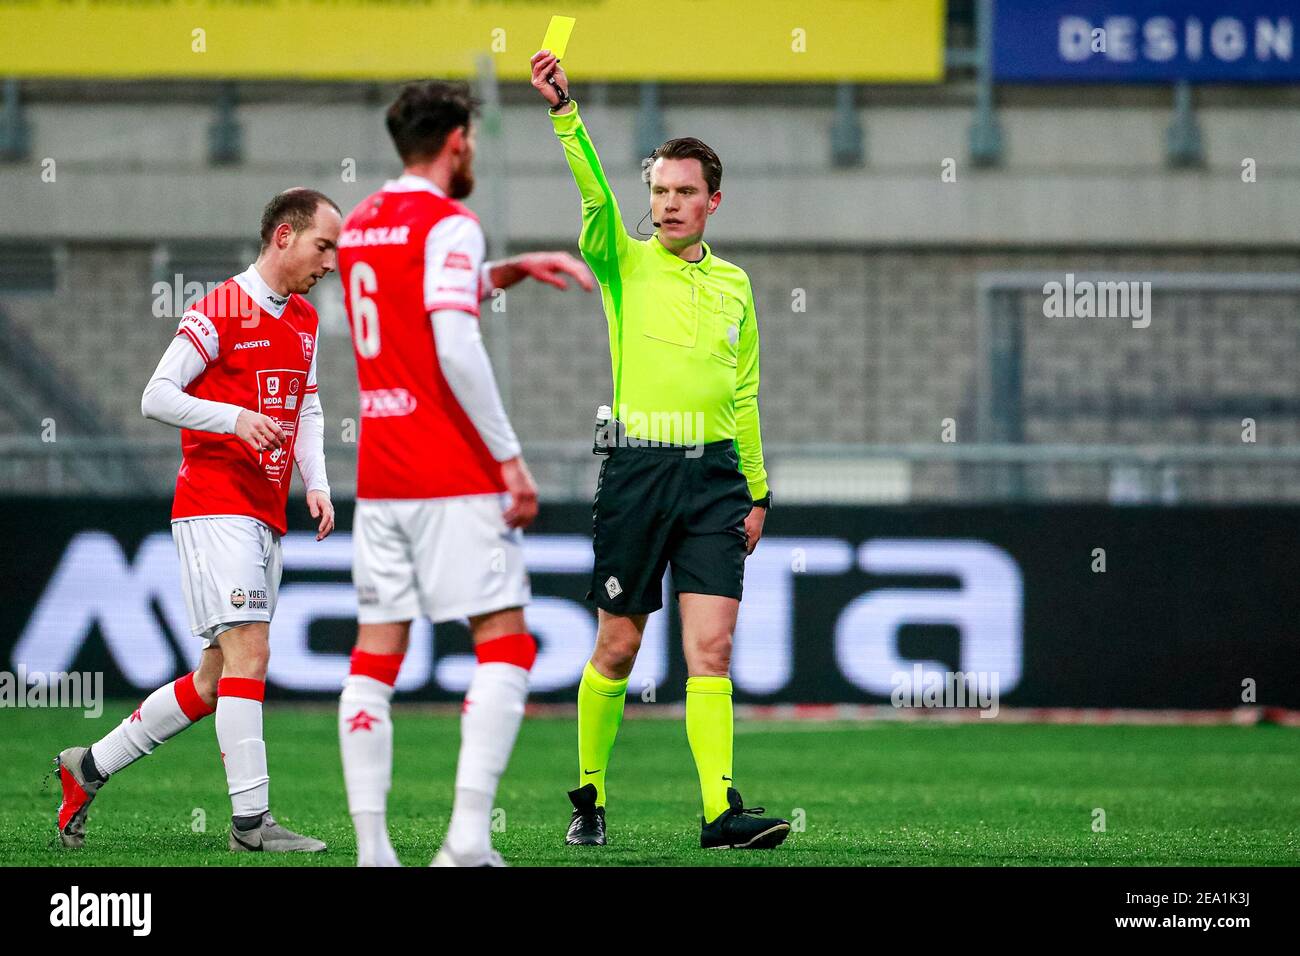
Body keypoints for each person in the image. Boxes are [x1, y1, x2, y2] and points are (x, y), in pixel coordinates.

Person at [530, 51, 788, 850]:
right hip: (638, 470)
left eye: (684, 193)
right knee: (620, 643)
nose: (669, 204)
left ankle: (720, 812)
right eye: (660, 192)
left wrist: (757, 489)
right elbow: (593, 194)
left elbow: (744, 391)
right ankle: (591, 798)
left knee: (711, 647)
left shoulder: (737, 284)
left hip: (715, 479)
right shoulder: (622, 260)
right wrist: (564, 112)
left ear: (714, 202)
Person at [337, 79, 595, 867]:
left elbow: (415, 305)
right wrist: (510, 460)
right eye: (472, 139)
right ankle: (466, 844)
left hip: (379, 475)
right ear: (457, 142)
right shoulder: (451, 222)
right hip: (449, 469)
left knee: (374, 658)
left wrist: (508, 269)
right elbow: (451, 341)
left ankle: (374, 854)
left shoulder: (358, 227)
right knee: (506, 647)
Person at [54, 188, 341, 853]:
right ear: (283, 238)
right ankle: (251, 825)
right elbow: (155, 395)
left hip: (264, 511)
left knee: (214, 681)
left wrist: (317, 482)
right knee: (252, 650)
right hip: (215, 503)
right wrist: (234, 419)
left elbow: (311, 404)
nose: (330, 261)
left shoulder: (304, 319)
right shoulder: (218, 309)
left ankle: (88, 767)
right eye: (322, 246)